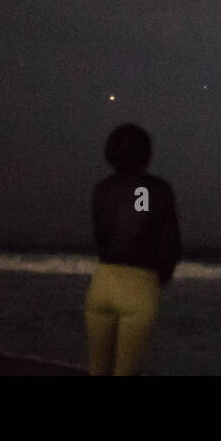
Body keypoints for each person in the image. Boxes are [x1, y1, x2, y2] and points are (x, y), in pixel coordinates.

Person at [84, 123, 181, 375]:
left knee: (97, 369)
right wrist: (160, 276)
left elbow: (100, 235)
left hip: (102, 281)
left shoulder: (101, 189)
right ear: (146, 154)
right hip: (140, 284)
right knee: (126, 370)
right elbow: (171, 243)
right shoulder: (158, 189)